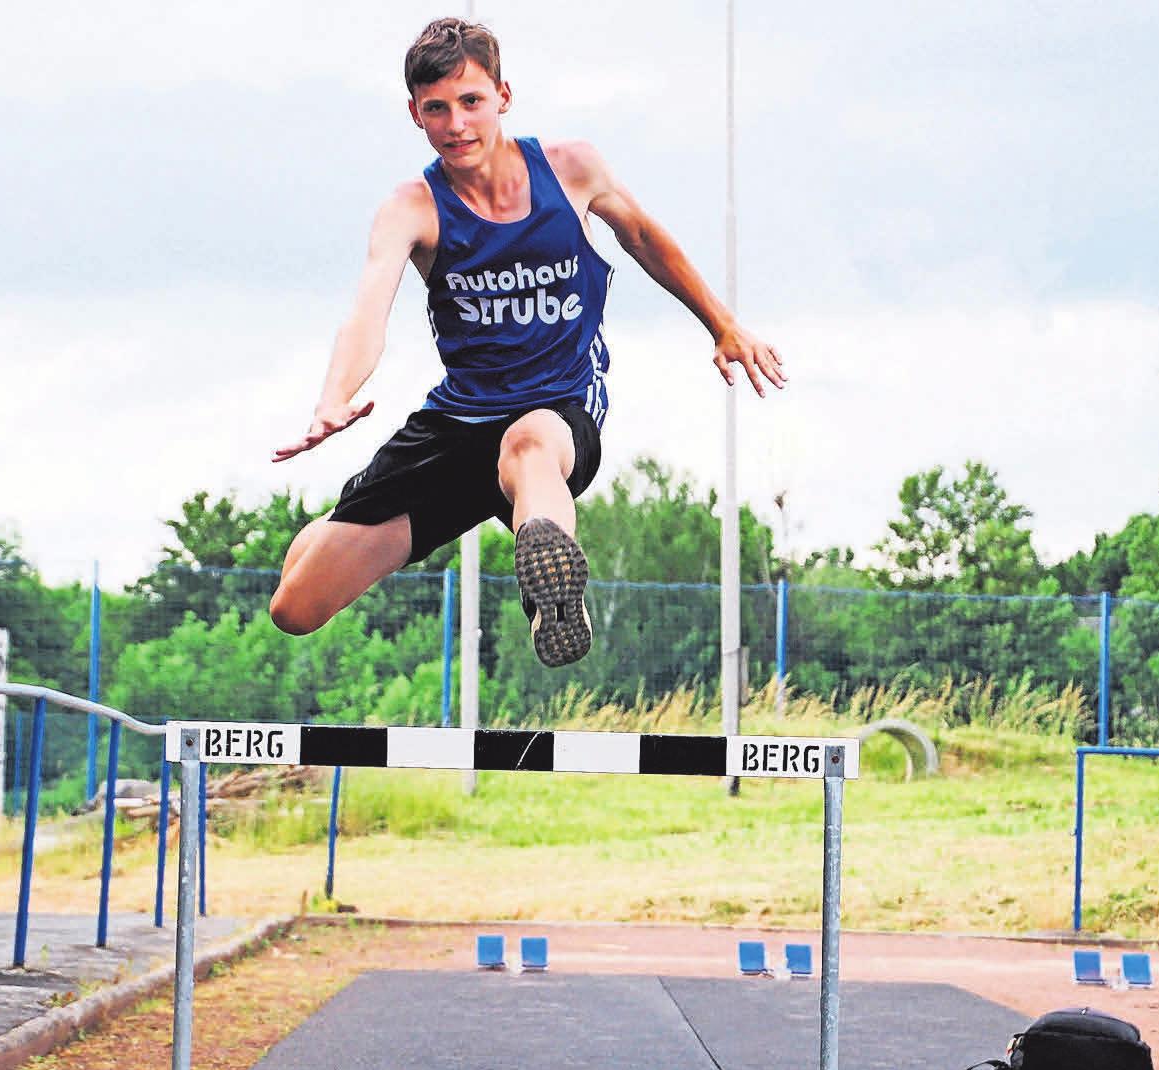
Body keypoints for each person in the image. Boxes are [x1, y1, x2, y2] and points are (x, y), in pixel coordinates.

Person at [269, 16, 785, 667]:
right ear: (415, 114)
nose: (457, 124)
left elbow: (642, 237)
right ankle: (362, 523)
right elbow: (367, 312)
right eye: (437, 109)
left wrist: (722, 324)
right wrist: (333, 397)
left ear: (503, 96)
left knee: (528, 443)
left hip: (557, 412)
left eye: (471, 102)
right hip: (456, 426)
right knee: (295, 607)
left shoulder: (570, 169)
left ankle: (553, 596)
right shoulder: (412, 207)